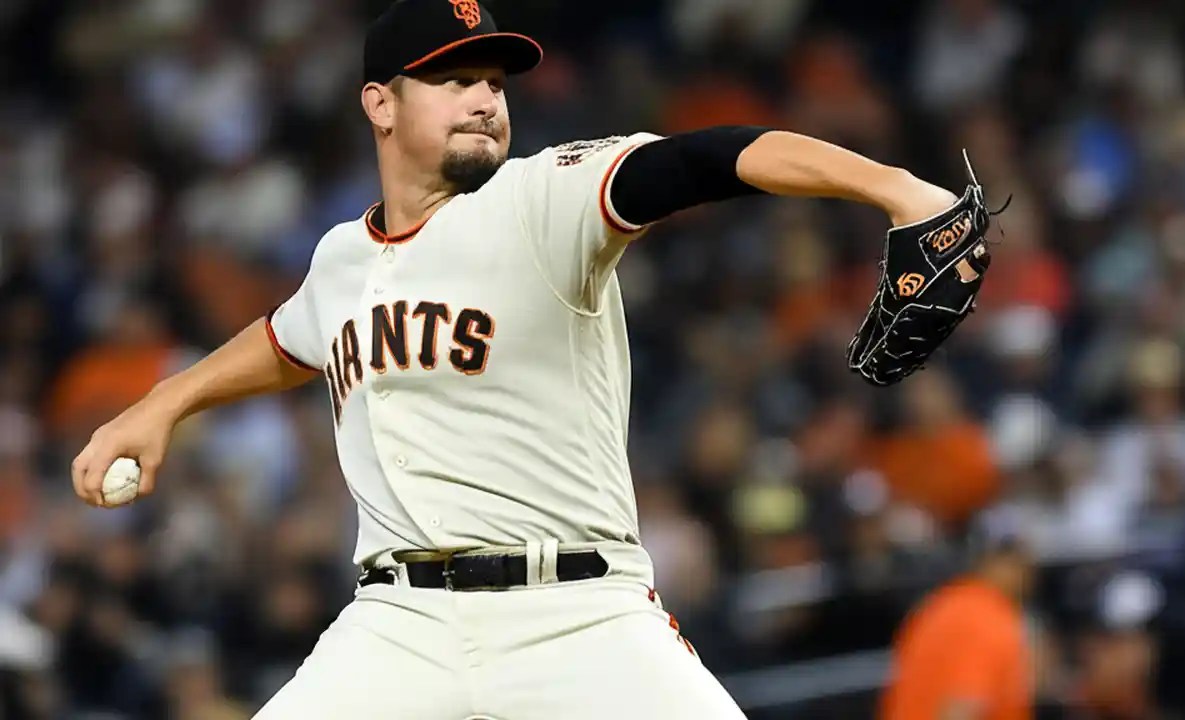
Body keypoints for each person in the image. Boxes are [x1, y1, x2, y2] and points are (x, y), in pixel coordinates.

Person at [70, 1, 962, 717]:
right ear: (379, 104)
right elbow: (284, 340)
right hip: (399, 622)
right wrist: (161, 406)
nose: (484, 99)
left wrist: (897, 188)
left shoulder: (545, 198)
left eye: (492, 82)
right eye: (453, 80)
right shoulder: (342, 257)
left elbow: (712, 159)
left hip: (576, 609)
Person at [880, 507, 1035, 720]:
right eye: (1020, 560)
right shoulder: (987, 617)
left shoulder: (940, 605)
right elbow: (962, 709)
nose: (1029, 571)